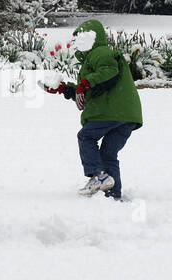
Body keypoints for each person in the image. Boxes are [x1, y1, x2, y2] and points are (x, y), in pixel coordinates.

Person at [47, 19, 142, 199]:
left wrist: (85, 82)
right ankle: (113, 195)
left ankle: (98, 176)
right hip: (127, 115)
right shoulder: (93, 59)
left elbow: (109, 72)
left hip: (111, 110)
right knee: (108, 153)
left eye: (81, 37)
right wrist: (64, 89)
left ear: (94, 37)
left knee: (86, 136)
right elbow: (91, 90)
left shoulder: (100, 52)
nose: (76, 42)